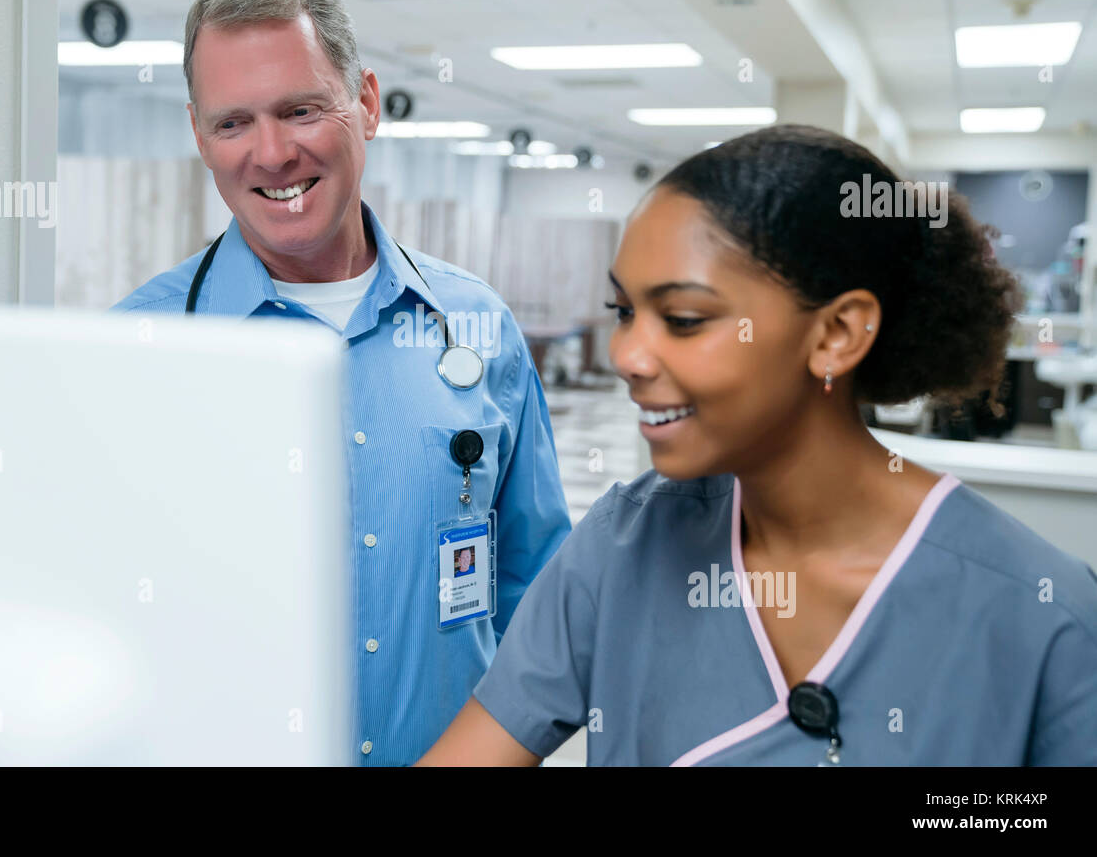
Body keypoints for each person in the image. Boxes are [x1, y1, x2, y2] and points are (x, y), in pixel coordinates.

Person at [418, 124, 1097, 766]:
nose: (627, 354)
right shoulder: (622, 546)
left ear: (837, 333)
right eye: (625, 311)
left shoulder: (1041, 615)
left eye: (683, 319)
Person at [112, 0, 571, 765]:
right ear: (198, 133)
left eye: (300, 109)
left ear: (364, 102)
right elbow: (105, 621)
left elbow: (541, 600)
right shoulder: (141, 349)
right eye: (233, 123)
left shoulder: (475, 326)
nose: (272, 153)